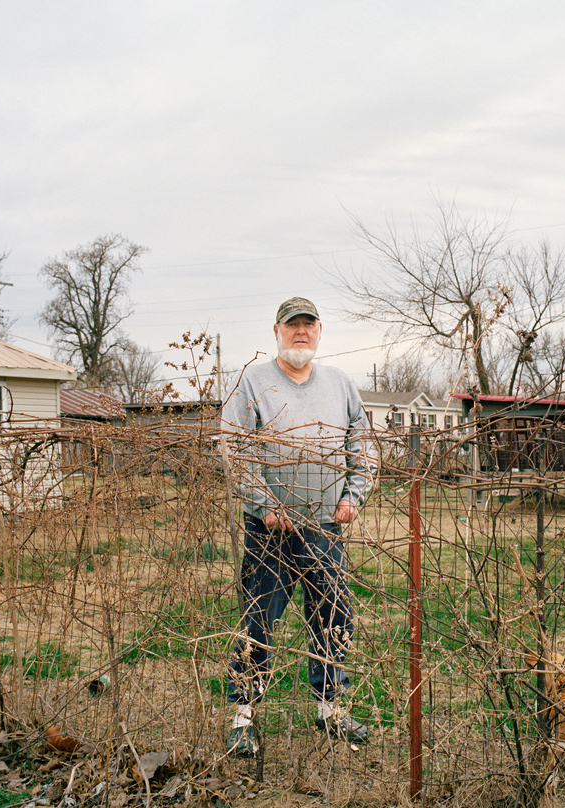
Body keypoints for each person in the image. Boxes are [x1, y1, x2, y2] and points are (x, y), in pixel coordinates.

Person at [221, 296, 376, 757]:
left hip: (324, 529)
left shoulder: (340, 383)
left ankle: (331, 709)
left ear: (320, 330)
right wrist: (264, 505)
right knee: (259, 622)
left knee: (333, 617)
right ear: (277, 331)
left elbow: (362, 445)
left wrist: (353, 497)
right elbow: (234, 448)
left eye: (308, 324)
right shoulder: (252, 380)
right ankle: (243, 717)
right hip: (270, 531)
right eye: (293, 325)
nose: (301, 332)